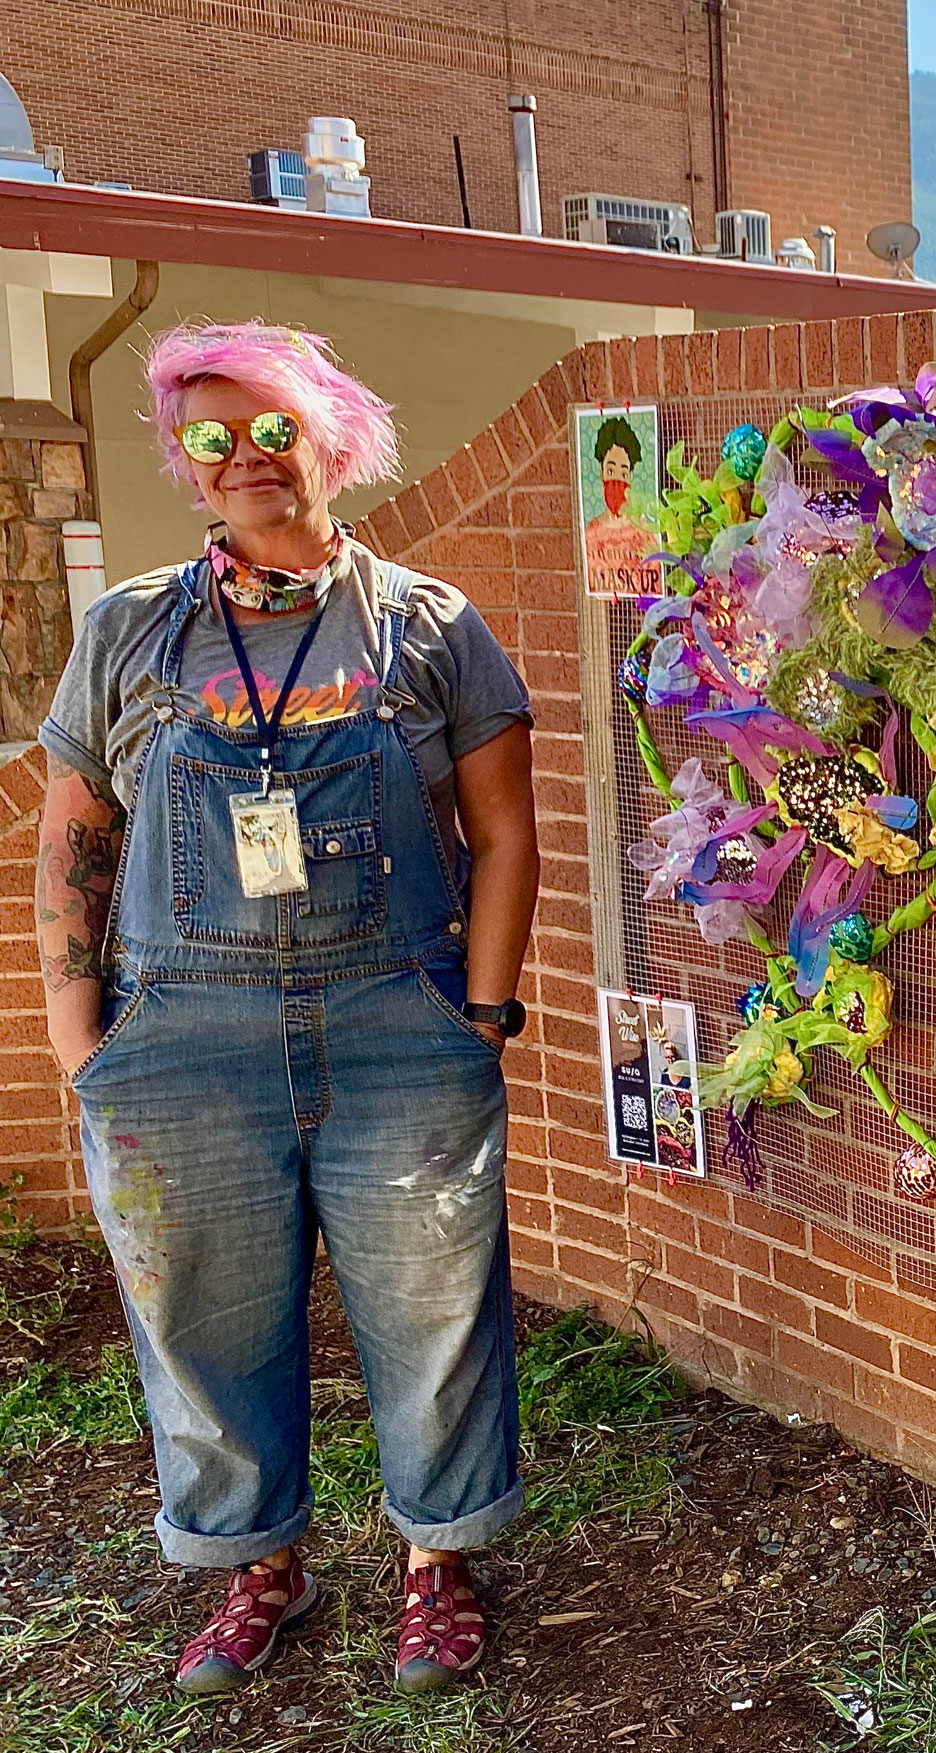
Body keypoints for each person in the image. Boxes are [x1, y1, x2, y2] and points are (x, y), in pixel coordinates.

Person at [34, 323, 541, 1697]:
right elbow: (73, 835)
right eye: (209, 436)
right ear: (185, 461)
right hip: (179, 1044)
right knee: (198, 1321)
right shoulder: (129, 629)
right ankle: (258, 1564)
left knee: (437, 1311)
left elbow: (505, 834)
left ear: (332, 438)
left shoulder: (432, 628)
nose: (244, 456)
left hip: (399, 1031)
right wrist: (86, 1045)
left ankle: (439, 1560)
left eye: (272, 427)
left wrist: (480, 1019)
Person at [581, 415, 658, 596]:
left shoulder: (644, 531)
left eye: (623, 474)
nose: (617, 480)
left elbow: (655, 579)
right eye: (610, 470)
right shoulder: (592, 533)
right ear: (601, 473)